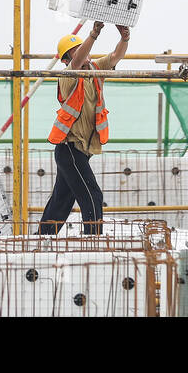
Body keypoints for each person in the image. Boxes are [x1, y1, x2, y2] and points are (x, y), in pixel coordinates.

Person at [37, 21, 129, 236]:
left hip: (80, 152)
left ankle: (42, 239)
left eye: (82, 48)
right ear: (67, 60)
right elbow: (78, 61)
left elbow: (116, 55)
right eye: (76, 52)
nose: (82, 53)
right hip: (70, 149)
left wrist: (125, 39)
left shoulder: (96, 69)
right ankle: (93, 240)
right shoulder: (68, 76)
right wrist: (93, 34)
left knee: (61, 202)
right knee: (92, 195)